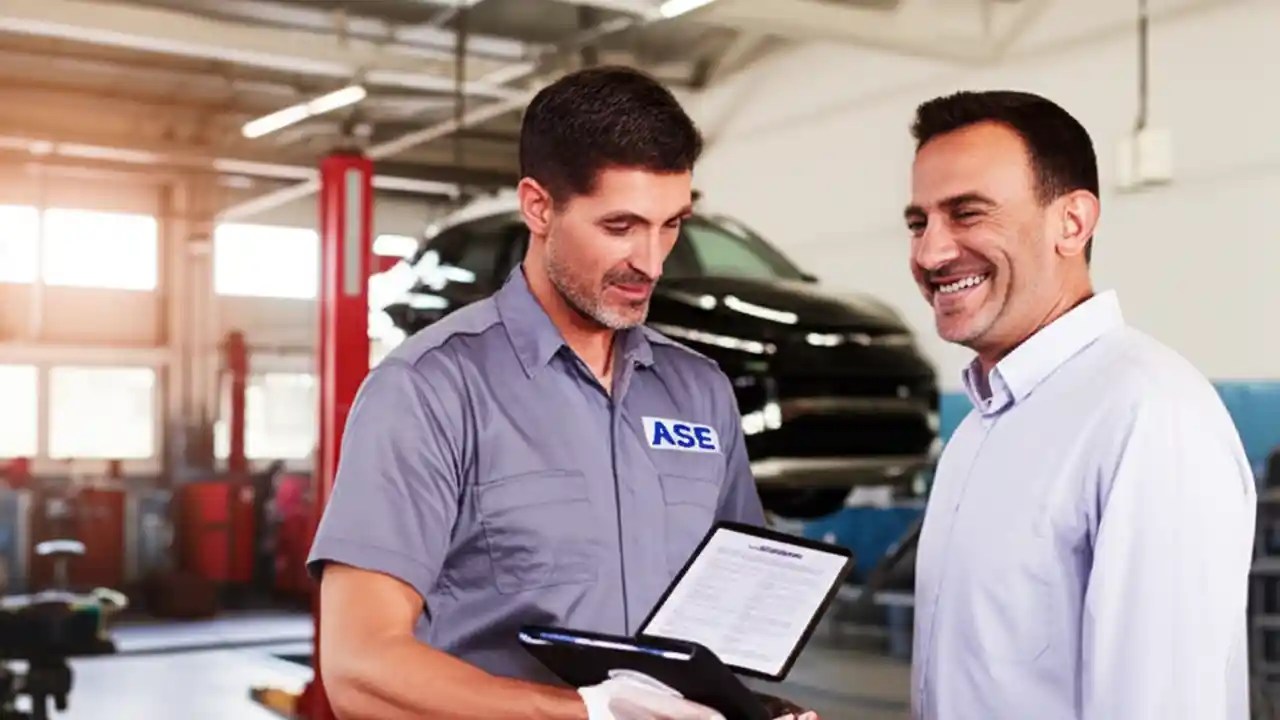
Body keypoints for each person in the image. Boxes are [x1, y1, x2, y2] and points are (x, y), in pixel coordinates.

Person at [306, 65, 816, 720]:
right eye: (621, 226)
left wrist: (752, 710)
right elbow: (359, 669)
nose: (653, 263)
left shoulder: (700, 392)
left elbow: (728, 622)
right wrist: (588, 713)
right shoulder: (429, 392)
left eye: (672, 225)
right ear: (538, 207)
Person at [902, 90, 1257, 719]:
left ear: (1072, 223)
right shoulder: (980, 428)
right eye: (919, 222)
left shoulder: (1147, 415)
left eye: (968, 213)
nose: (930, 253)